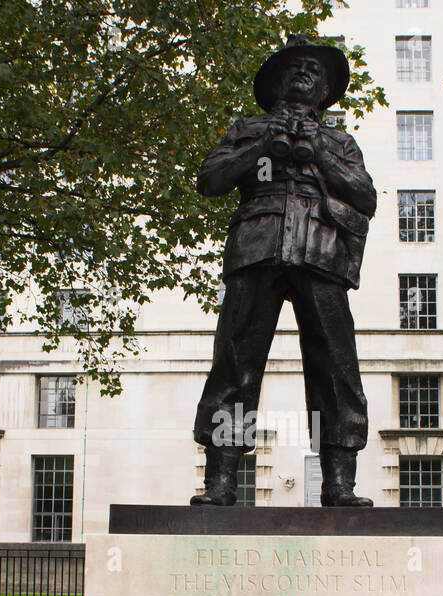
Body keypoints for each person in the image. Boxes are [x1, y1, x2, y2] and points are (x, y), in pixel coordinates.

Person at [190, 35, 376, 507]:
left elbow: (365, 197)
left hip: (322, 251)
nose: (304, 73)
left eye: (315, 69)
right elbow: (210, 180)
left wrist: (322, 156)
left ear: (325, 89)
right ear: (276, 82)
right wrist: (261, 151)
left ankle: (339, 482)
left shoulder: (340, 141)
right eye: (295, 67)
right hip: (258, 245)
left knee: (335, 364)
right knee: (236, 363)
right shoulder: (247, 128)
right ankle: (221, 480)